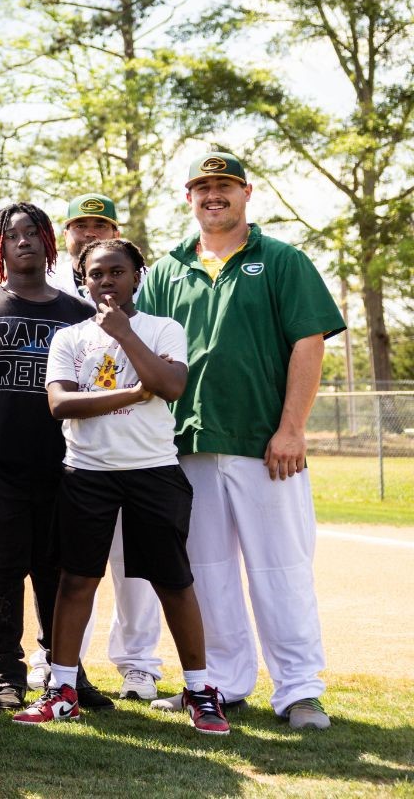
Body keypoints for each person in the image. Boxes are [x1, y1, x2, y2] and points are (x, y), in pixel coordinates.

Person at [136, 151, 343, 731]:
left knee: (281, 570)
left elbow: (309, 342)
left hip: (264, 443)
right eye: (203, 188)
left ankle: (300, 690)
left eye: (224, 186)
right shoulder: (167, 270)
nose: (213, 196)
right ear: (188, 197)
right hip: (186, 445)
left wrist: (292, 428)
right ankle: (222, 685)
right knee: (207, 571)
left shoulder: (280, 260)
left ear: (246, 192)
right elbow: (147, 352)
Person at [12, 238, 230, 736]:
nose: (106, 282)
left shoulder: (163, 328)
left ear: (138, 276)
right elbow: (61, 405)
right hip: (85, 473)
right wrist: (133, 392)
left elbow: (172, 387)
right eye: (95, 274)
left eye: (116, 272)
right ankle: (62, 689)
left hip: (153, 470)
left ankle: (199, 689)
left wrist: (126, 335)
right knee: (76, 580)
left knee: (172, 582)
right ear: (81, 280)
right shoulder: (69, 338)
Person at [0, 203, 98, 712]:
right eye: (11, 234)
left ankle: (65, 671)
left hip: (63, 463)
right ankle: (6, 675)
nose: (22, 241)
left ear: (49, 243)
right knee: (3, 569)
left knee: (58, 571)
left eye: (32, 233)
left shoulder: (77, 312)